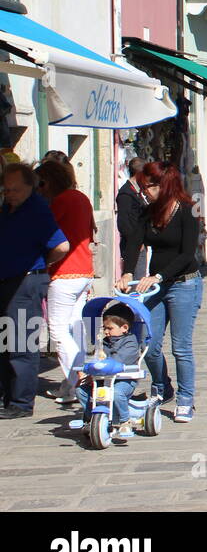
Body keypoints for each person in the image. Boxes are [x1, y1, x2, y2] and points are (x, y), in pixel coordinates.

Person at [118, 161, 202, 423]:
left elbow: (188, 254)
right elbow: (133, 243)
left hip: (184, 284)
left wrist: (159, 275)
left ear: (164, 185)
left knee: (181, 347)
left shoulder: (188, 211)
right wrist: (128, 272)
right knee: (149, 344)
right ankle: (162, 386)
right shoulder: (148, 212)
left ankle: (186, 399)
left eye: (150, 186)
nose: (146, 192)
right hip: (156, 286)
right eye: (143, 187)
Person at [0, 162, 70, 418]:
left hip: (27, 281)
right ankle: (7, 397)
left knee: (21, 342)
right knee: (5, 342)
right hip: (8, 280)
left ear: (30, 186)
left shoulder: (37, 210)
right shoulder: (8, 209)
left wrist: (38, 265)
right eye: (6, 190)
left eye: (15, 189)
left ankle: (20, 402)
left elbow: (61, 245)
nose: (9, 194)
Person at [36, 160, 98, 406]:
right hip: (83, 271)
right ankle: (70, 383)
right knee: (74, 330)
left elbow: (47, 234)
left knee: (59, 331)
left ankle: (79, 380)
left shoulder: (61, 201)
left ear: (47, 182)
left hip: (64, 272)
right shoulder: (81, 197)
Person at [68, 304, 140, 438]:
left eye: (110, 328)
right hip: (103, 379)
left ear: (124, 328)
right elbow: (94, 358)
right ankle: (90, 418)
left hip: (124, 379)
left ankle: (125, 420)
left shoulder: (131, 343)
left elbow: (117, 361)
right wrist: (86, 367)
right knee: (81, 390)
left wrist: (99, 365)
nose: (106, 332)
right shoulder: (104, 342)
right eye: (104, 328)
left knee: (117, 393)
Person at [116, 158, 150, 280]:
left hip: (139, 244)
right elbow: (124, 224)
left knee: (139, 280)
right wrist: (136, 241)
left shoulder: (137, 191)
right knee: (135, 284)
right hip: (133, 246)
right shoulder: (126, 194)